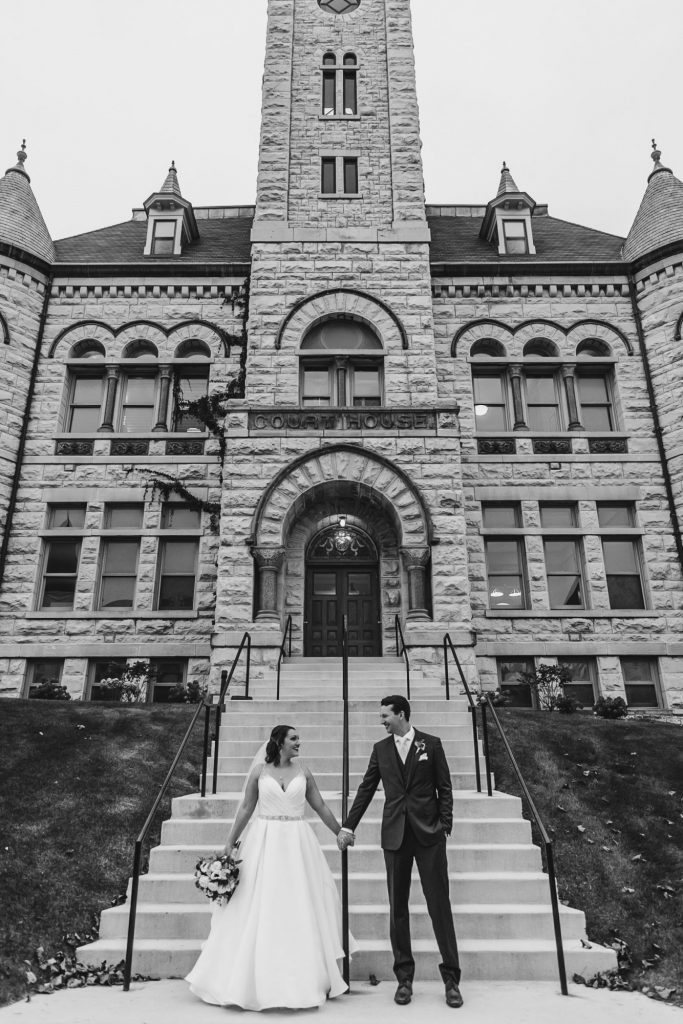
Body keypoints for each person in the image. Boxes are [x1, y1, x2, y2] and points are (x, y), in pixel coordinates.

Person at [186, 724, 356, 1011]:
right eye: (294, 738)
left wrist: (340, 831)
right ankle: (247, 977)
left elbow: (321, 806)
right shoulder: (259, 772)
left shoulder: (304, 771)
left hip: (297, 841)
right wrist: (230, 843)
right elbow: (245, 808)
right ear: (279, 742)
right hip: (264, 840)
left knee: (298, 903)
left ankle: (302, 976)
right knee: (259, 903)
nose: (299, 742)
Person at [337, 694, 463, 1008]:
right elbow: (367, 788)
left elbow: (443, 787)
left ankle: (451, 980)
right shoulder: (381, 749)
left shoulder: (430, 744)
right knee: (398, 909)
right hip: (395, 836)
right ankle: (404, 979)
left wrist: (444, 824)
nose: (382, 721)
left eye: (385, 716)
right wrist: (349, 825)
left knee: (439, 907)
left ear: (401, 714)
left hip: (429, 835)